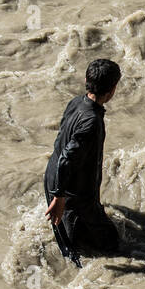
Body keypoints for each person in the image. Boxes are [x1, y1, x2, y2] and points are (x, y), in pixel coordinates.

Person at [44, 58, 123, 266]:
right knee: (112, 243)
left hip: (53, 176)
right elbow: (68, 159)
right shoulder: (92, 122)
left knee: (72, 238)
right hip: (73, 192)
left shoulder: (76, 102)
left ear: (86, 79)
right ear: (112, 90)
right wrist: (60, 197)